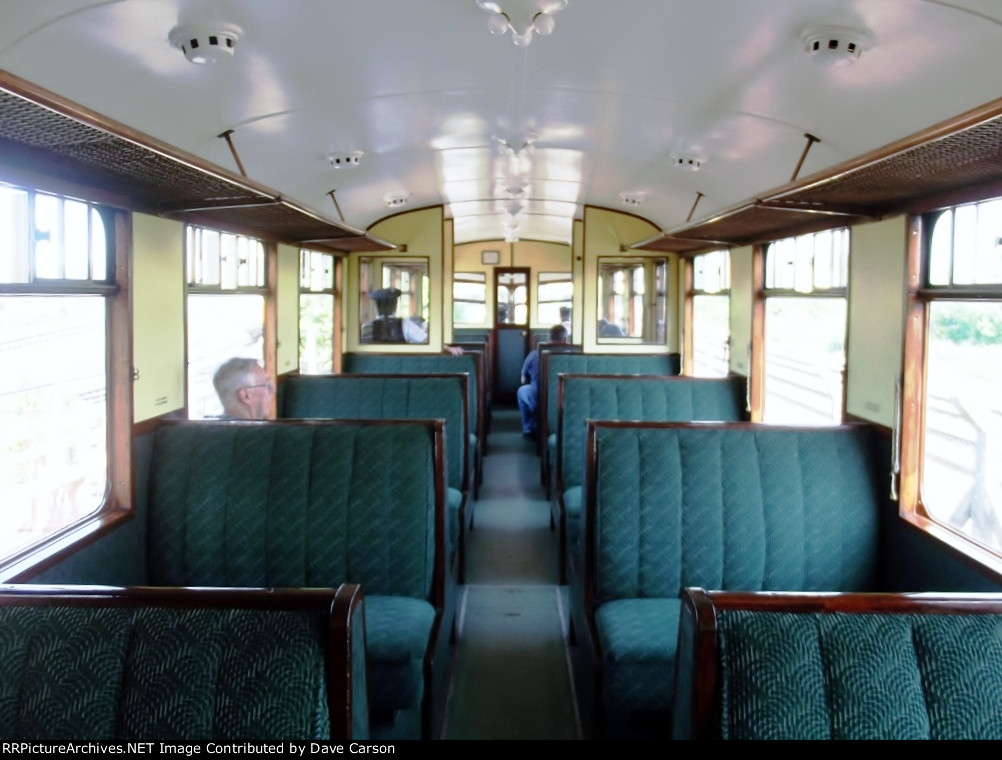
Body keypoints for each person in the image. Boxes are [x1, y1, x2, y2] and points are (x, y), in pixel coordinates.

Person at [517, 323, 569, 439]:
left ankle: (529, 427)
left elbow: (523, 379)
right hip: (566, 398)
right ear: (565, 340)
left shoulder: (534, 354)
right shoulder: (573, 355)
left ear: (548, 338)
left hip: (538, 398)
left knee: (522, 390)